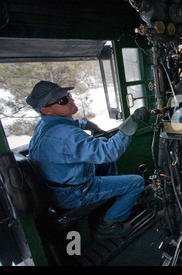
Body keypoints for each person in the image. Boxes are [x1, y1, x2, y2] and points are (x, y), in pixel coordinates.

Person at [26, 80, 151, 239]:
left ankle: (112, 196)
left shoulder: (45, 125)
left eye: (68, 96)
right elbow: (109, 152)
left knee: (104, 146)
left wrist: (92, 127)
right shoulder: (67, 136)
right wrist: (132, 121)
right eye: (63, 100)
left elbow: (75, 123)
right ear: (46, 110)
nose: (71, 100)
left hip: (57, 188)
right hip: (74, 193)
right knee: (136, 182)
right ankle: (108, 224)